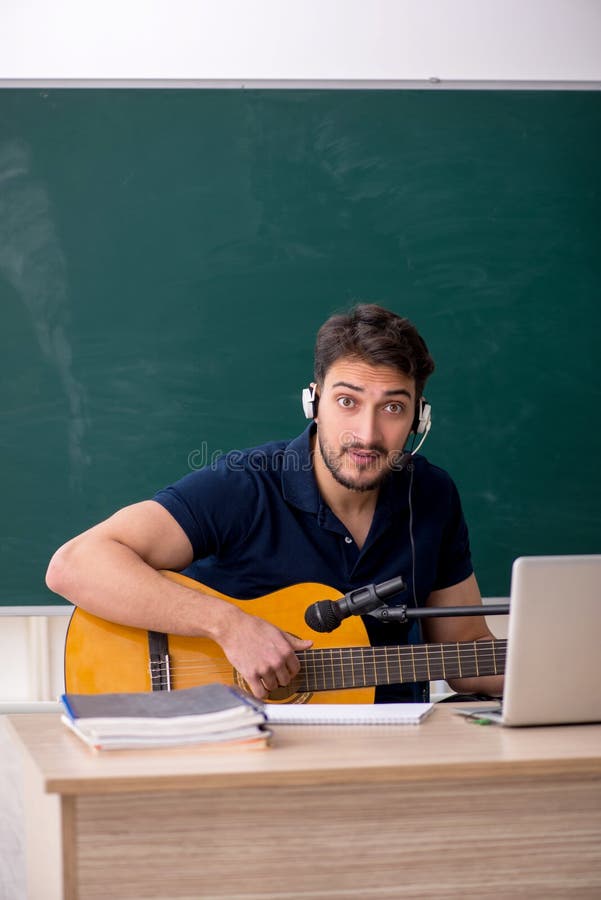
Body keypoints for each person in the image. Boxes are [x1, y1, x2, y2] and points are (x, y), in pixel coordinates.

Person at [46, 304, 504, 702]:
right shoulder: (243, 485)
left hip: (397, 749)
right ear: (315, 402)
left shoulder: (432, 496)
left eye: (392, 408)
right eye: (347, 401)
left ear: (418, 416)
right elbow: (74, 564)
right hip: (252, 751)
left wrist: (557, 667)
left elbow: (465, 653)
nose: (366, 434)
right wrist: (229, 626)